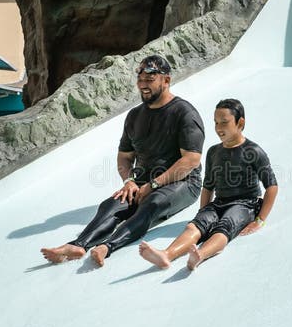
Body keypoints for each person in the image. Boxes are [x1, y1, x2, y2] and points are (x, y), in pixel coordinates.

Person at [41, 54, 204, 267]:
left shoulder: (184, 113)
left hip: (183, 183)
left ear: (166, 80)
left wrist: (153, 185)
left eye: (150, 79)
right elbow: (124, 157)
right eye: (140, 79)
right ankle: (78, 245)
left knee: (152, 203)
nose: (143, 85)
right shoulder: (135, 116)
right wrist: (129, 181)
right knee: (111, 205)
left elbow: (190, 160)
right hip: (143, 181)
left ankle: (107, 247)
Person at [139, 98, 278, 271]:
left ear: (240, 122)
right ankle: (166, 254)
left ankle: (200, 255)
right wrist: (202, 212)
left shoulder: (253, 151)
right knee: (194, 225)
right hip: (218, 203)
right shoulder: (213, 152)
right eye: (216, 123)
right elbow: (208, 185)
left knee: (226, 225)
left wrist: (260, 220)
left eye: (224, 122)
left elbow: (271, 186)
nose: (219, 128)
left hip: (245, 204)